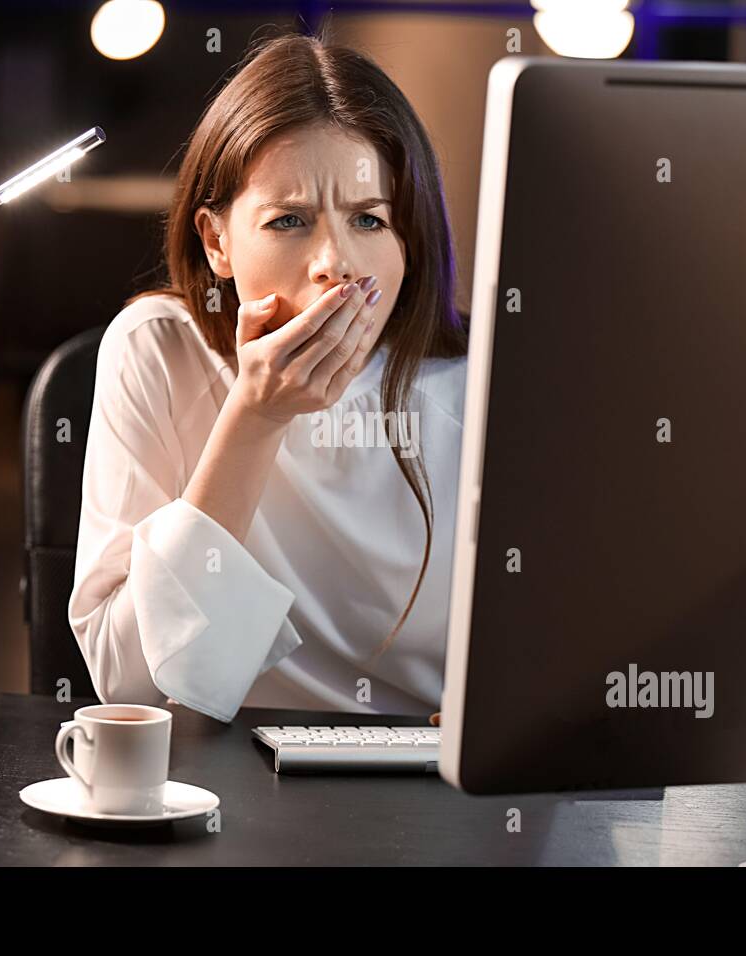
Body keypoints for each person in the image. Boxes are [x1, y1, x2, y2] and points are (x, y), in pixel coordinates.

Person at [68, 31, 466, 728]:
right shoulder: (159, 350)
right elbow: (124, 682)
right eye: (288, 221)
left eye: (369, 219)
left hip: (434, 783)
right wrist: (253, 418)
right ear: (217, 240)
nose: (335, 263)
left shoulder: (472, 378)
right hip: (225, 773)